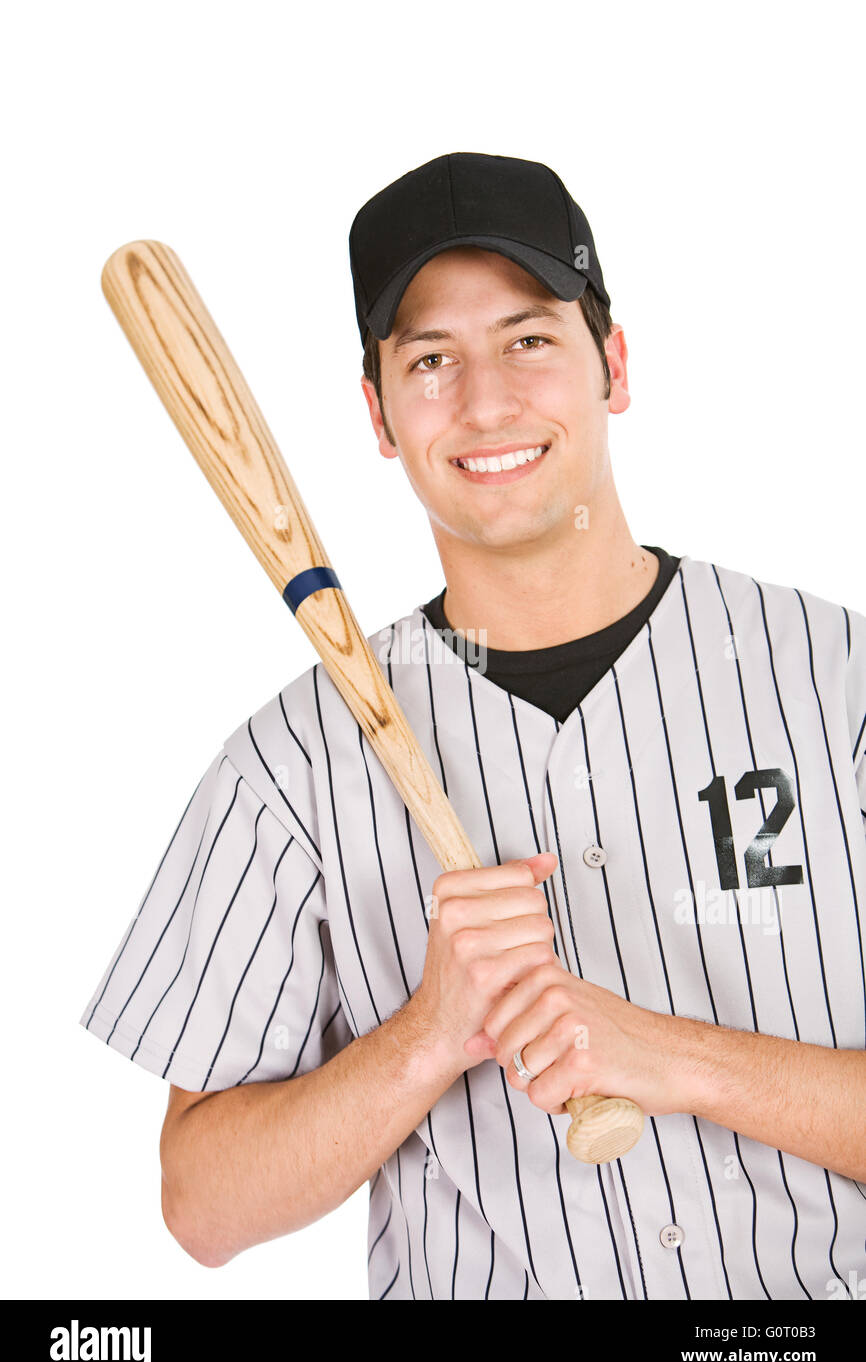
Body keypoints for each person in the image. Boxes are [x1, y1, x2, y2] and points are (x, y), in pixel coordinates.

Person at [80, 152, 866, 1301]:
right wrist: (428, 1034)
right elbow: (202, 1207)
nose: (485, 402)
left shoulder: (833, 677)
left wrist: (673, 1057)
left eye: (528, 338)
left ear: (614, 364)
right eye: (430, 360)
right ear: (380, 415)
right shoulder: (288, 767)